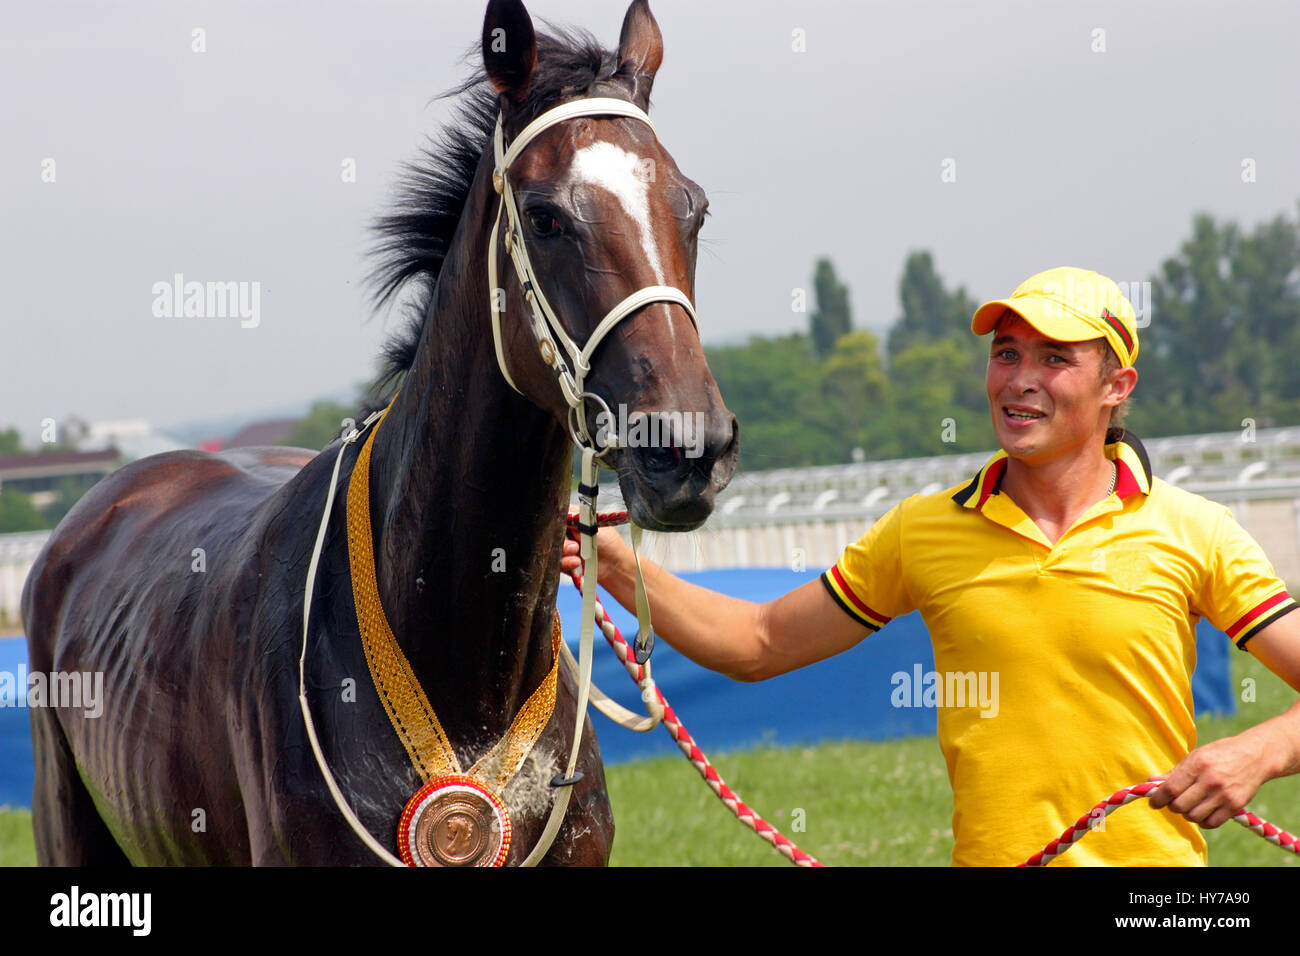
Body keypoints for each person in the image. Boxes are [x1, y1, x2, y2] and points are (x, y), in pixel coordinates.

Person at [561, 266, 1300, 866]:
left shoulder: (1197, 531)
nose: (1020, 379)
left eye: (1055, 359)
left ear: (1117, 386)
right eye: (1006, 353)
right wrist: (615, 564)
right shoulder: (924, 532)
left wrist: (1258, 750)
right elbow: (758, 642)